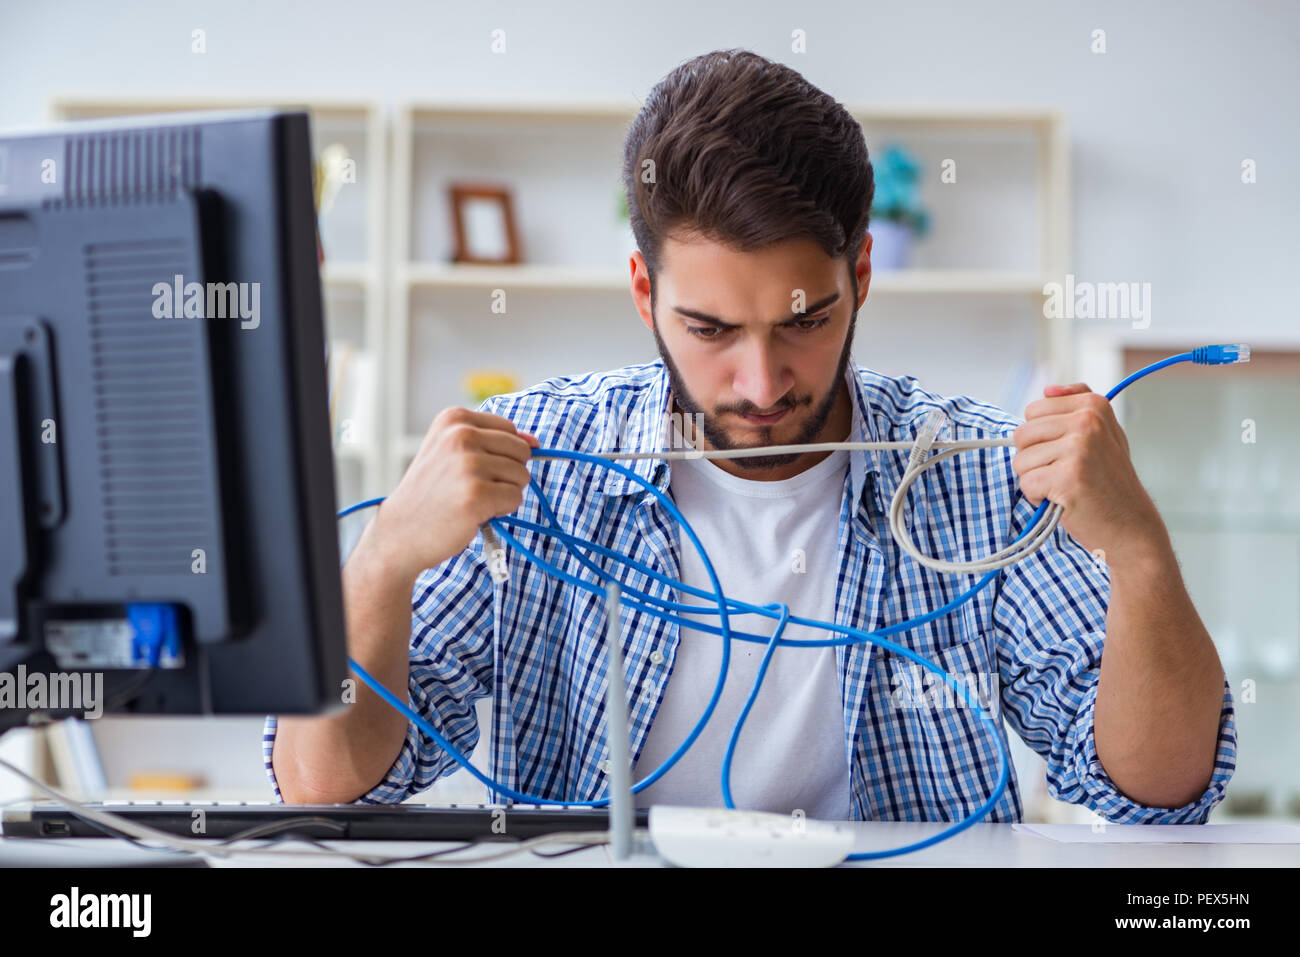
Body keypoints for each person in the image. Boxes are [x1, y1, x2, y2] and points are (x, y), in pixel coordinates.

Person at [265, 49, 1235, 823]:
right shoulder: (534, 464)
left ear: (861, 274)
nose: (761, 383)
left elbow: (1158, 789)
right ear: (645, 292)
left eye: (805, 321)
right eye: (711, 330)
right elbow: (327, 785)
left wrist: (1140, 553)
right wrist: (384, 557)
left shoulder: (975, 476)